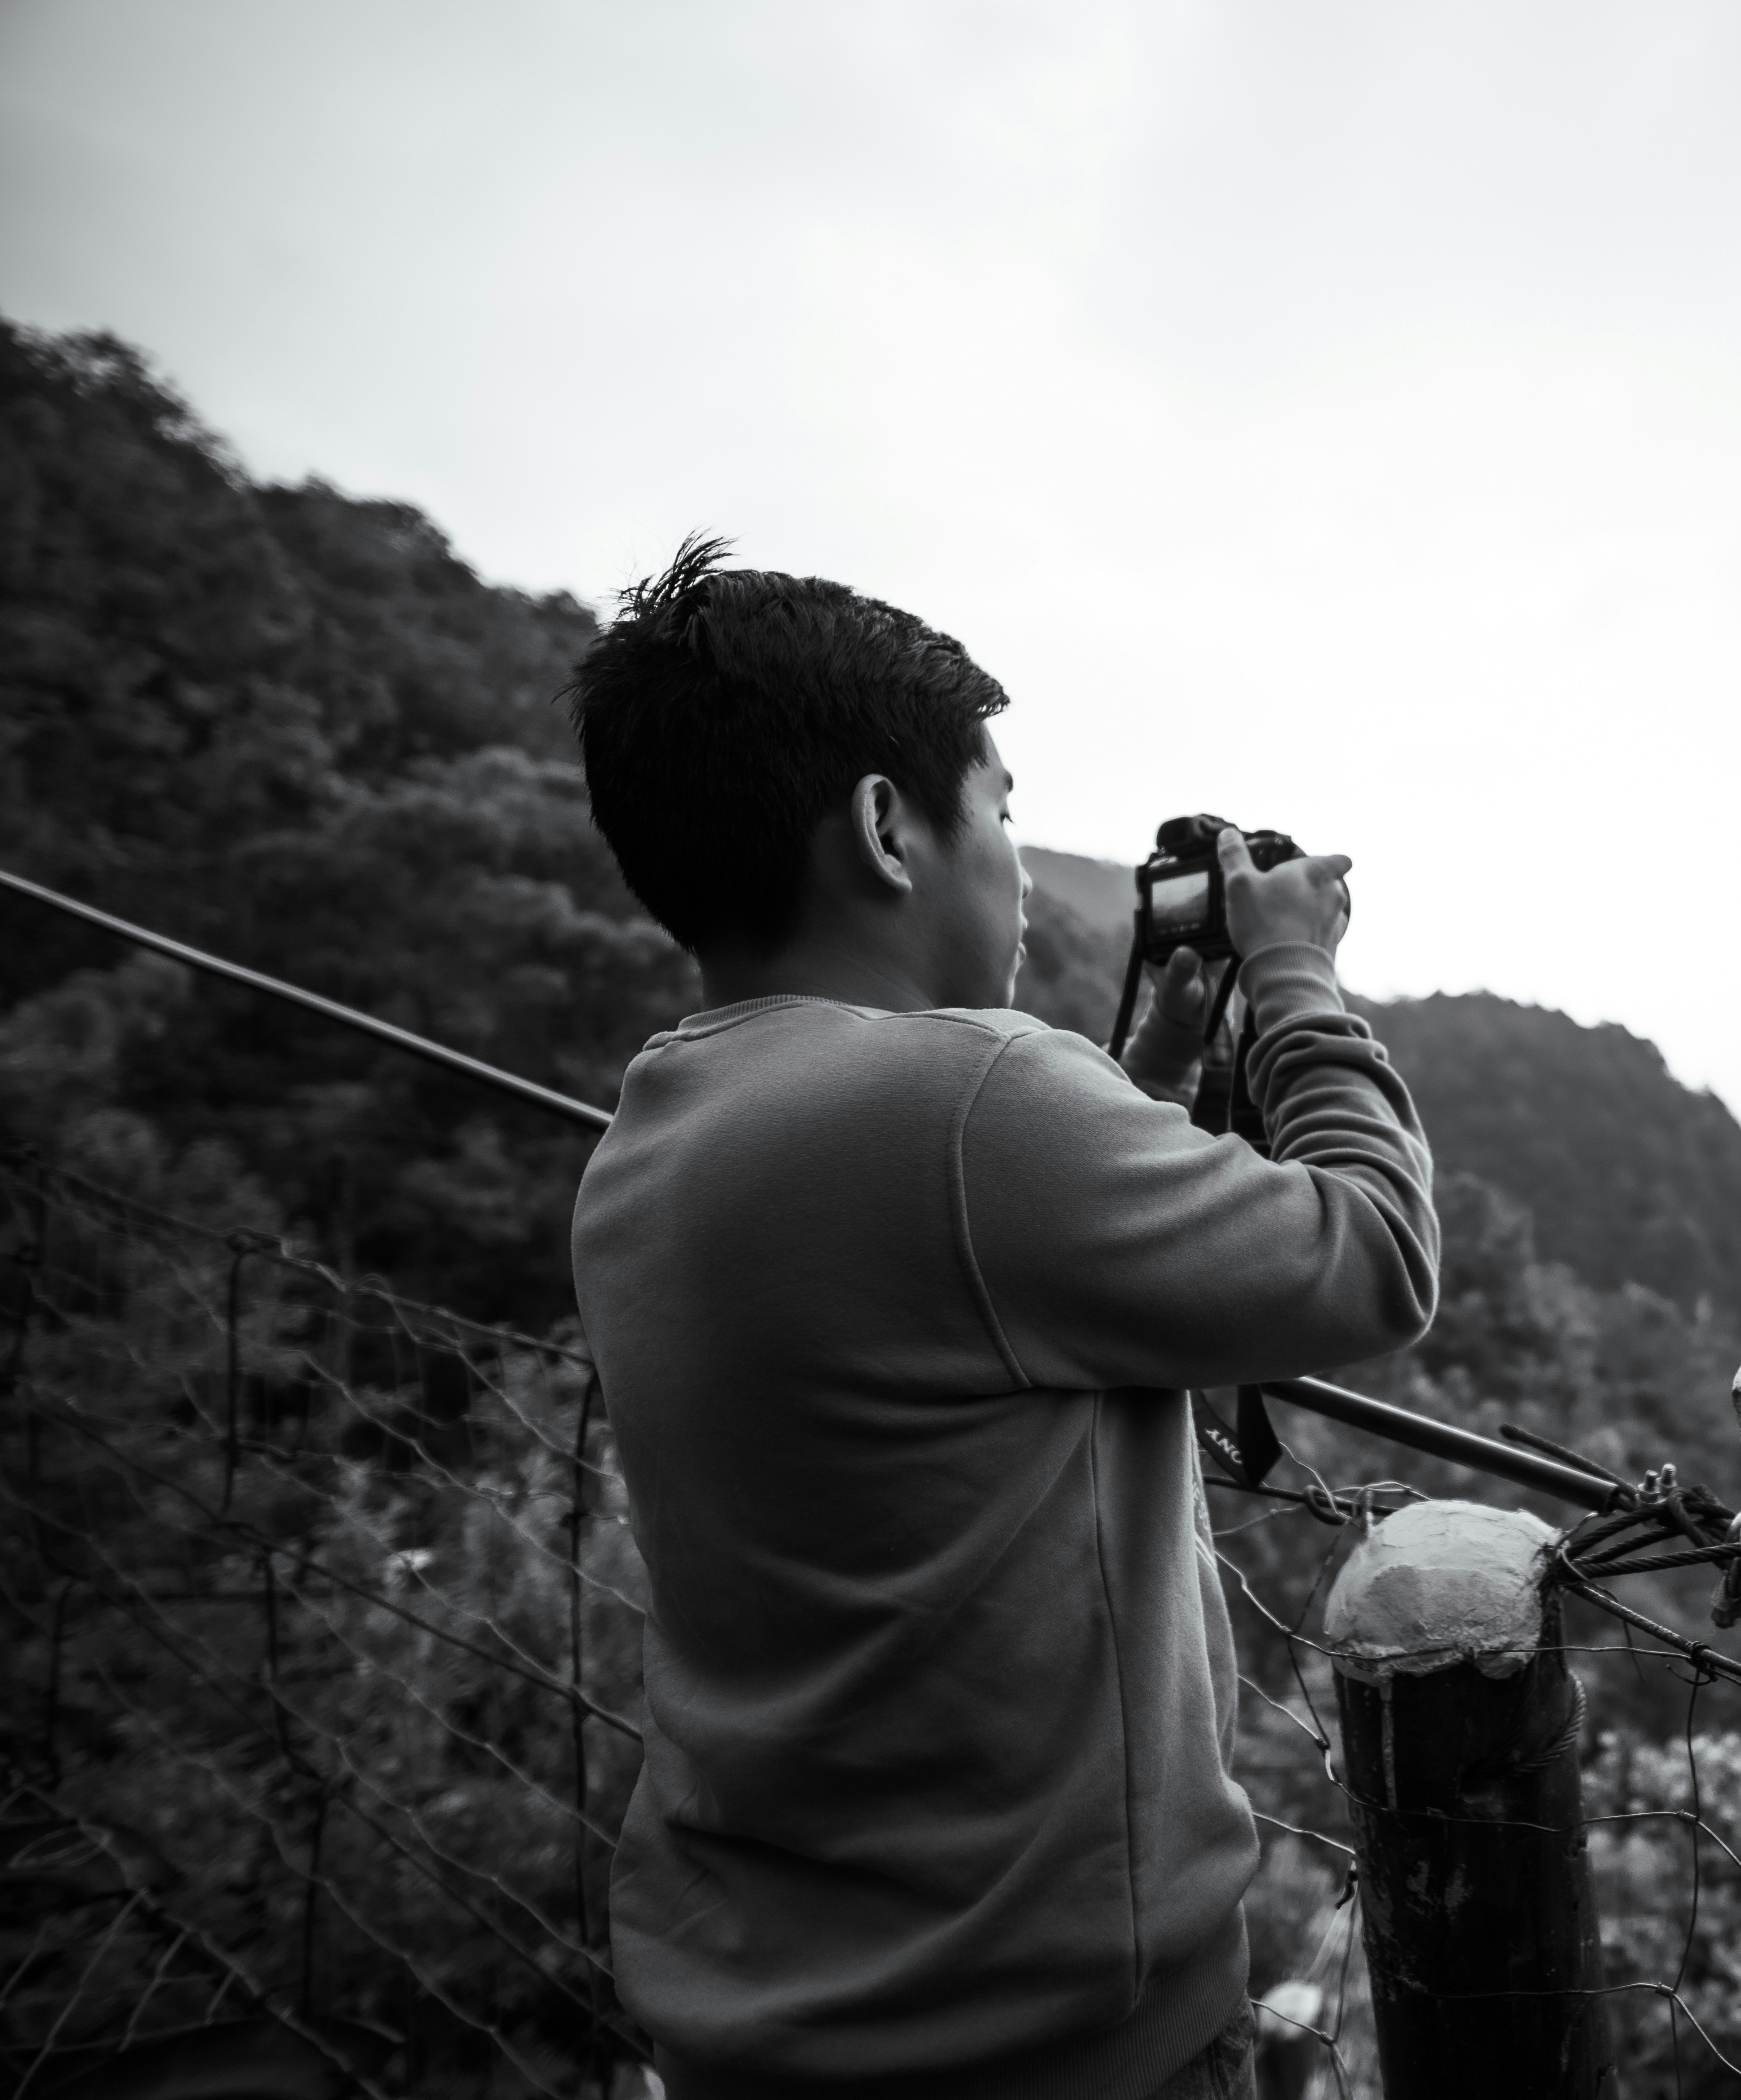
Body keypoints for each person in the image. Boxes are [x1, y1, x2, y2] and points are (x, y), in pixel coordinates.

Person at [564, 539, 1439, 2100]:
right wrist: (1297, 973)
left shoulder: (661, 1127)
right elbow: (1374, 1259)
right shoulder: (970, 1101)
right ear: (890, 831)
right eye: (1009, 810)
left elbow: (964, 1298)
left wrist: (1148, 1077)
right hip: (1040, 2032)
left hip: (770, 2000)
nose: (1026, 865)